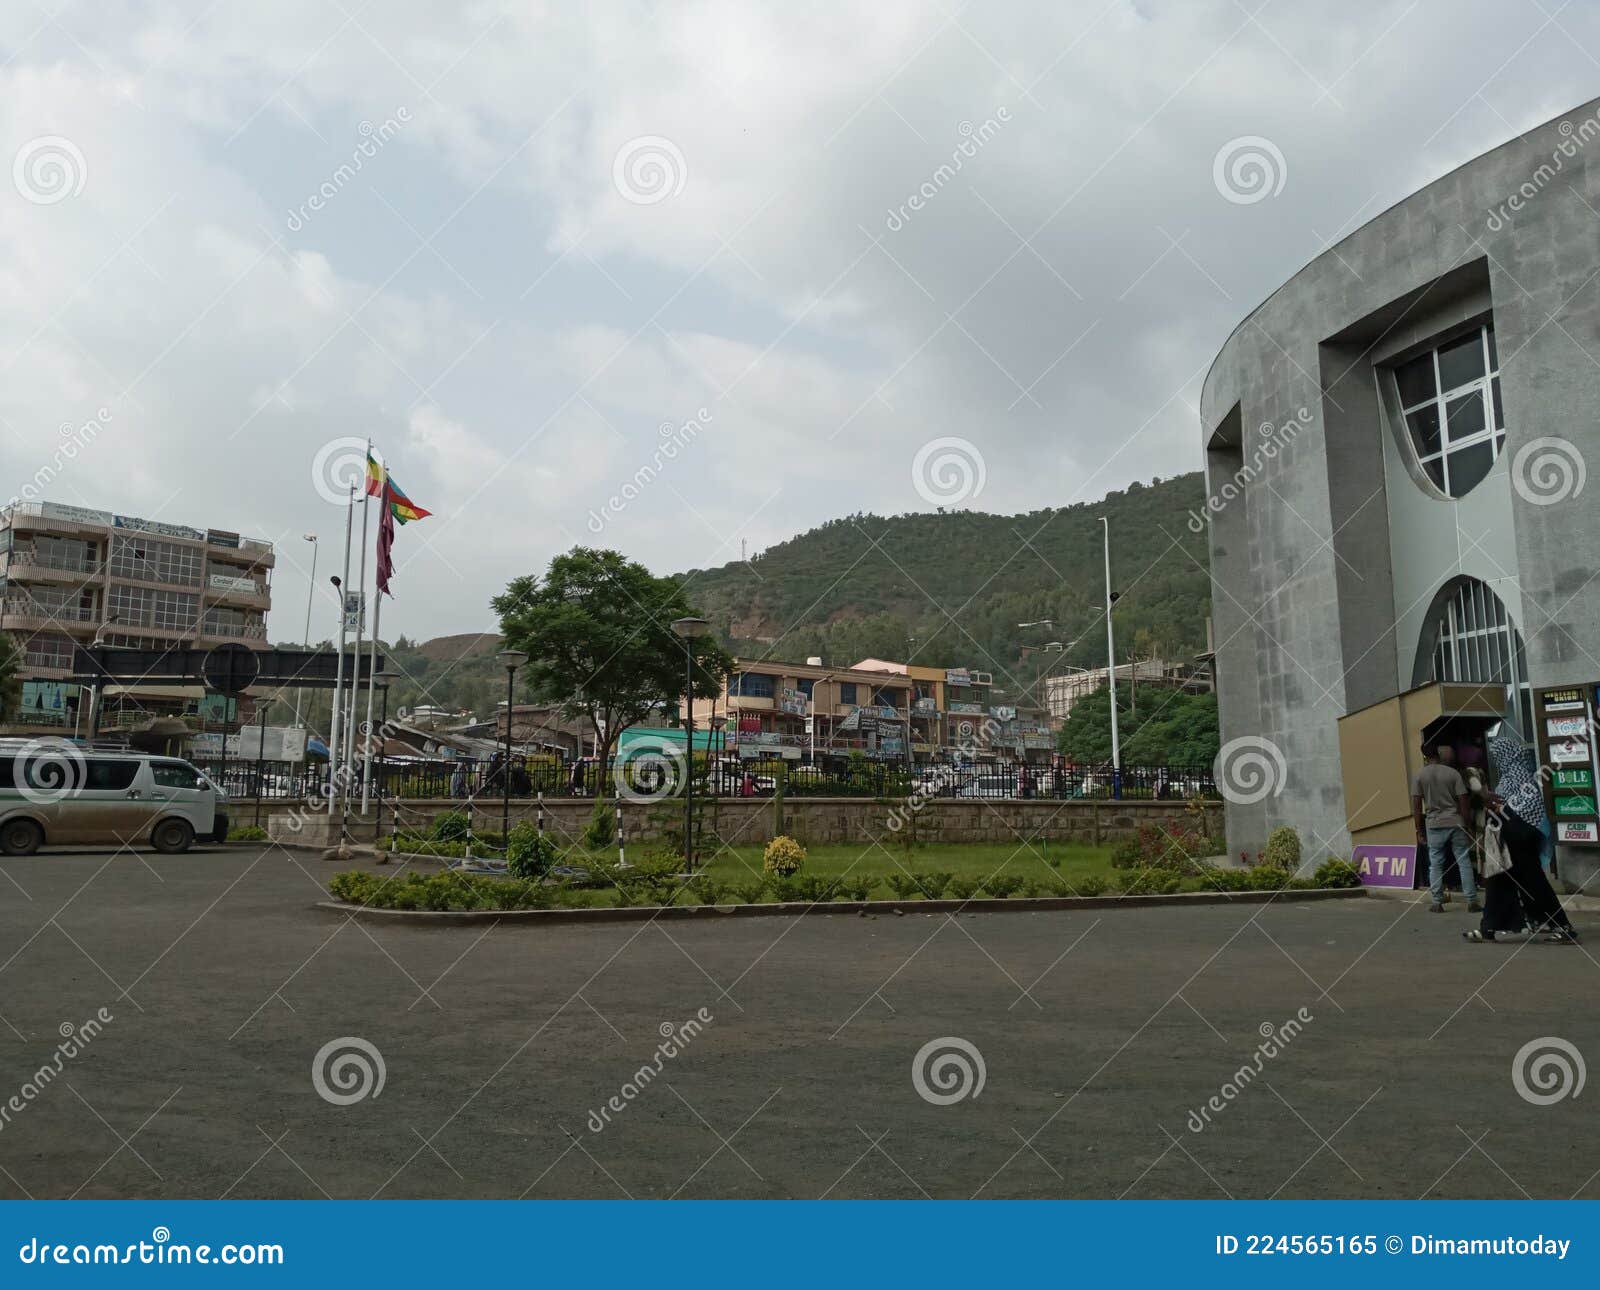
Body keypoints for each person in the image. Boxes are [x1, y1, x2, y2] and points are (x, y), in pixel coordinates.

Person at [1464, 793, 1579, 944]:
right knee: (1498, 886)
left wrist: (1502, 810)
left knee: (1536, 887)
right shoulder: (1505, 798)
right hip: (1509, 846)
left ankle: (1563, 928)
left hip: (1521, 845)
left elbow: (1524, 826)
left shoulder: (1514, 800)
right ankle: (1488, 929)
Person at [1412, 741, 1481, 914]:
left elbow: (1416, 806)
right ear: (1439, 754)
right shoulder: (1453, 774)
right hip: (1456, 822)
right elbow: (1463, 800)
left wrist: (1419, 830)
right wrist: (1468, 825)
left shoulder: (1419, 776)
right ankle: (1472, 901)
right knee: (1463, 861)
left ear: (1425, 757)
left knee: (1435, 864)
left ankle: (1437, 902)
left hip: (1434, 823)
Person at [1488, 727, 1553, 868]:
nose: (1496, 761)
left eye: (1497, 756)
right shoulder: (1510, 771)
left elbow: (1531, 799)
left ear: (1504, 754)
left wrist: (1504, 807)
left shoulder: (1517, 770)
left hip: (1526, 827)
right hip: (1516, 827)